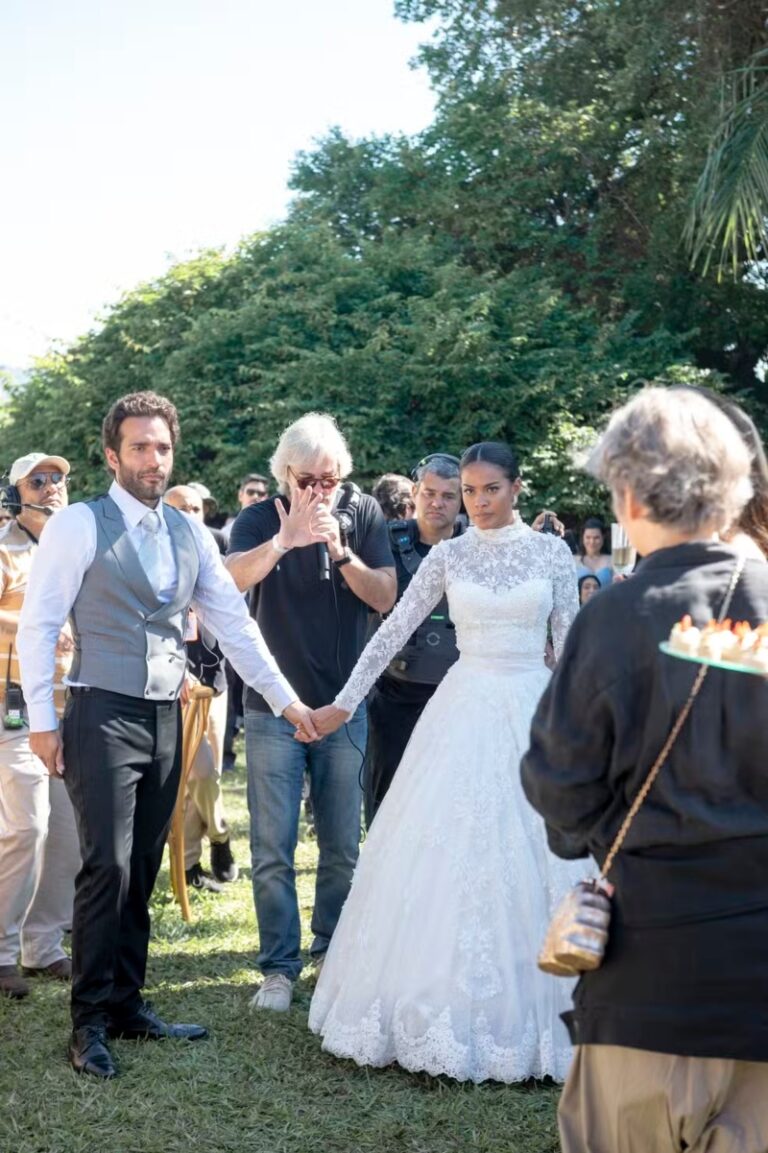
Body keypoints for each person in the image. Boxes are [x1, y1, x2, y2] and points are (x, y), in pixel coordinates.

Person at [17, 391, 316, 1080]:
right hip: (99, 711)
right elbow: (39, 625)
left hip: (165, 716)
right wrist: (42, 721)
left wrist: (286, 700)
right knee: (107, 866)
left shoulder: (189, 533)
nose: (154, 459)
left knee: (145, 863)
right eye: (140, 447)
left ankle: (127, 1003)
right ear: (112, 455)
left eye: (163, 447)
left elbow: (233, 623)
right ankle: (89, 1021)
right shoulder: (79, 524)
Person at [520, 387, 768, 1152]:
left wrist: (600, 836)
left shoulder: (616, 617)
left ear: (627, 496)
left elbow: (558, 782)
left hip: (651, 970)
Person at [305, 441, 581, 1083]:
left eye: (490, 490)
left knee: (539, 853)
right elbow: (393, 630)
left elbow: (569, 647)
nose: (477, 503)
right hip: (462, 706)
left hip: (533, 709)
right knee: (447, 848)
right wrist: (344, 704)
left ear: (517, 487)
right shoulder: (449, 555)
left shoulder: (551, 554)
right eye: (470, 492)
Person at [225, 412, 396, 1013]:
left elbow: (386, 596)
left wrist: (340, 552)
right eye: (308, 481)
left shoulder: (363, 512)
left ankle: (332, 954)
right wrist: (285, 541)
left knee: (342, 845)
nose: (320, 491)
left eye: (330, 480)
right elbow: (228, 582)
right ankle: (278, 968)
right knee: (273, 848)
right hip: (274, 707)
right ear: (285, 474)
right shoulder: (259, 517)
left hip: (343, 707)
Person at [0, 453, 80, 999]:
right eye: (38, 481)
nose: (52, 487)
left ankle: (43, 945)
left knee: (67, 834)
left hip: (69, 710)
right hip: (15, 713)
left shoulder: (76, 549)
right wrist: (39, 628)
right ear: (15, 496)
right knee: (29, 828)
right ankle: (2, 951)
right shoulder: (5, 551)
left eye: (59, 479)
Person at [365, 453, 464, 823]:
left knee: (451, 801)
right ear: (415, 493)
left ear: (462, 499)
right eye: (429, 494)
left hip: (458, 694)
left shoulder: (478, 545)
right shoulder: (385, 542)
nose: (437, 503)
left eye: (448, 496)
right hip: (395, 693)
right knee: (387, 798)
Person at [164, 485, 237, 892]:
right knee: (198, 770)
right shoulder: (152, 553)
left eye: (195, 508)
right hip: (173, 686)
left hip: (215, 684)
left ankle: (193, 864)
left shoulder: (218, 548)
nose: (189, 514)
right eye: (179, 508)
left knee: (204, 778)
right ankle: (218, 835)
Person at [221, 473, 270, 543]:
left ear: (266, 498)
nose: (255, 497)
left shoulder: (274, 533)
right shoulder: (226, 533)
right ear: (240, 495)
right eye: (250, 492)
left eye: (261, 494)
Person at [574, 517, 613, 586]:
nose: (592, 542)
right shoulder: (572, 561)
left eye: (596, 538)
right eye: (588, 537)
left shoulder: (613, 560)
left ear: (603, 538)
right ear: (583, 538)